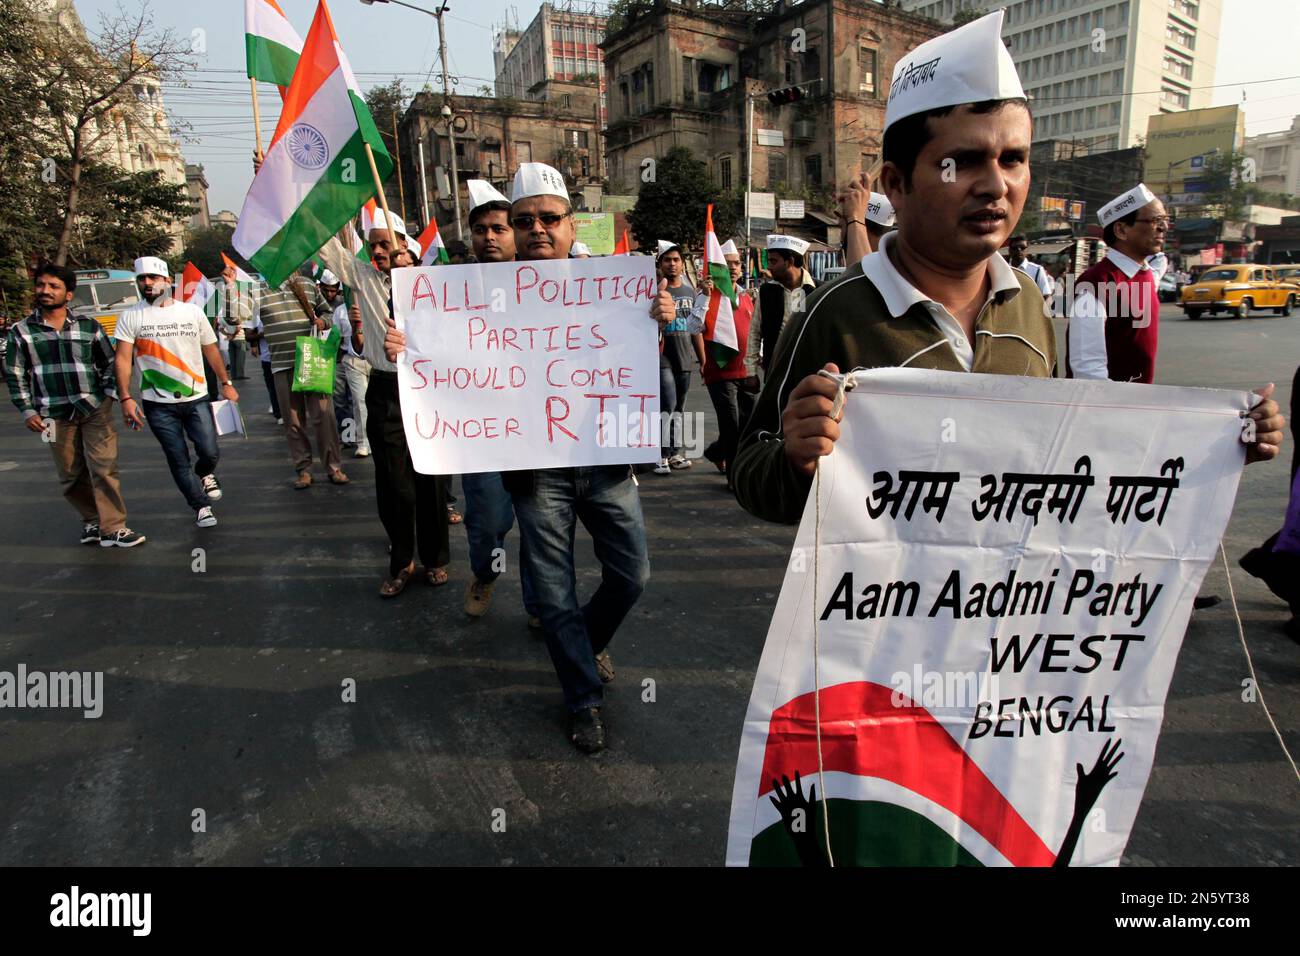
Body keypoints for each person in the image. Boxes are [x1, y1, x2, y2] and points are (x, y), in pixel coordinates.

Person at [731, 11, 1283, 527]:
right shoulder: (835, 311)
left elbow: (1065, 452)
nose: (997, 185)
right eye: (964, 162)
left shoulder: (1027, 301)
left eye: (1013, 159)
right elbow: (751, 470)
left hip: (1010, 615)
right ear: (897, 184)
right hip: (886, 616)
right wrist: (796, 460)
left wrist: (1212, 449)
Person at [390, 162, 660, 754]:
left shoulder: (615, 285)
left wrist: (663, 317)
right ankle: (582, 699)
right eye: (524, 220)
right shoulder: (478, 297)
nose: (537, 229)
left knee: (631, 573)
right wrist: (407, 345)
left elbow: (645, 348)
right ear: (510, 228)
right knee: (554, 590)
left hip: (608, 461)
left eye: (549, 218)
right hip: (537, 472)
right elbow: (442, 350)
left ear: (571, 225)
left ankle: (584, 642)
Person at [317, 210, 450, 596]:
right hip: (385, 390)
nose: (377, 250)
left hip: (430, 389)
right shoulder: (361, 278)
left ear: (404, 246)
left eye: (384, 243)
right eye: (372, 243)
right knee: (394, 483)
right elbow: (326, 247)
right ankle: (402, 561)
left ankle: (436, 559)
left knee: (432, 479)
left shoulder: (433, 284)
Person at [3, 262, 144, 547]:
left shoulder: (88, 326)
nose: (45, 291)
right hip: (50, 416)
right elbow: (15, 373)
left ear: (68, 295)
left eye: (54, 286)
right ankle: (93, 521)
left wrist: (108, 394)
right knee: (69, 474)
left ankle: (114, 526)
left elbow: (109, 363)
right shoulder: (21, 332)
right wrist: (27, 410)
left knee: (104, 467)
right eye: (41, 285)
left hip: (94, 408)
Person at [113, 256, 236, 528]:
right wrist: (125, 397)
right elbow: (122, 359)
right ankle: (199, 505)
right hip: (158, 404)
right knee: (177, 456)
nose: (147, 283)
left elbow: (211, 349)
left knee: (209, 450)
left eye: (153, 278)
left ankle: (204, 472)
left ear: (168, 281)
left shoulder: (191, 313)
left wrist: (226, 383)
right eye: (142, 279)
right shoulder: (130, 315)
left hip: (196, 398)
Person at [1067, 184, 1168, 384]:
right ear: (1121, 230)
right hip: (1110, 407)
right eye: (1155, 220)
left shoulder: (1146, 274)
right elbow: (1088, 370)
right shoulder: (1098, 283)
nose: (1163, 227)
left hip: (1137, 404)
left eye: (1165, 220)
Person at [258, 272, 348, 489]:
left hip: (311, 358)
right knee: (293, 422)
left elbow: (328, 313)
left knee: (324, 417)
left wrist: (323, 322)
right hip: (282, 364)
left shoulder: (307, 285)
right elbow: (233, 316)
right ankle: (304, 470)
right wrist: (232, 285)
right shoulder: (258, 291)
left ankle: (334, 467)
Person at [698, 239, 758, 487]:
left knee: (749, 424)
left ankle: (716, 452)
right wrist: (703, 298)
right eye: (728, 264)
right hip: (721, 373)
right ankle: (736, 477)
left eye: (737, 263)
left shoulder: (747, 295)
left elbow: (754, 330)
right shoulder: (708, 296)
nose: (734, 268)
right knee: (731, 426)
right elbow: (693, 327)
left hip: (747, 371)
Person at [654, 240, 703, 474]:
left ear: (683, 265)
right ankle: (661, 455)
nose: (672, 264)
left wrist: (703, 361)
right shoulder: (655, 292)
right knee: (667, 405)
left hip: (685, 359)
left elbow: (696, 329)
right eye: (667, 260)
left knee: (679, 409)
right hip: (662, 358)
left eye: (676, 260)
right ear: (660, 264)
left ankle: (674, 453)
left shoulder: (689, 291)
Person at [748, 234, 818, 377]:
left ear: (790, 261)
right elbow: (755, 332)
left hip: (809, 372)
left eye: (774, 261)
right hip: (775, 371)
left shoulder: (817, 290)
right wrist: (750, 372)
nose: (769, 267)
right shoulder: (767, 291)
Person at [321, 270, 370, 459]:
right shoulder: (341, 312)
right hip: (352, 361)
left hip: (376, 361)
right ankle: (361, 442)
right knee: (358, 402)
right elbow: (336, 339)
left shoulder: (375, 306)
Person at [839, 173, 895, 261]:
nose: (841, 234)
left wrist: (854, 218)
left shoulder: (871, 269)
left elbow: (861, 271)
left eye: (842, 226)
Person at [1007, 235, 1054, 301]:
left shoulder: (1037, 270)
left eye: (1022, 247)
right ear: (1009, 250)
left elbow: (1046, 296)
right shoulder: (1003, 270)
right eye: (1015, 248)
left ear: (1027, 250)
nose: (1019, 250)